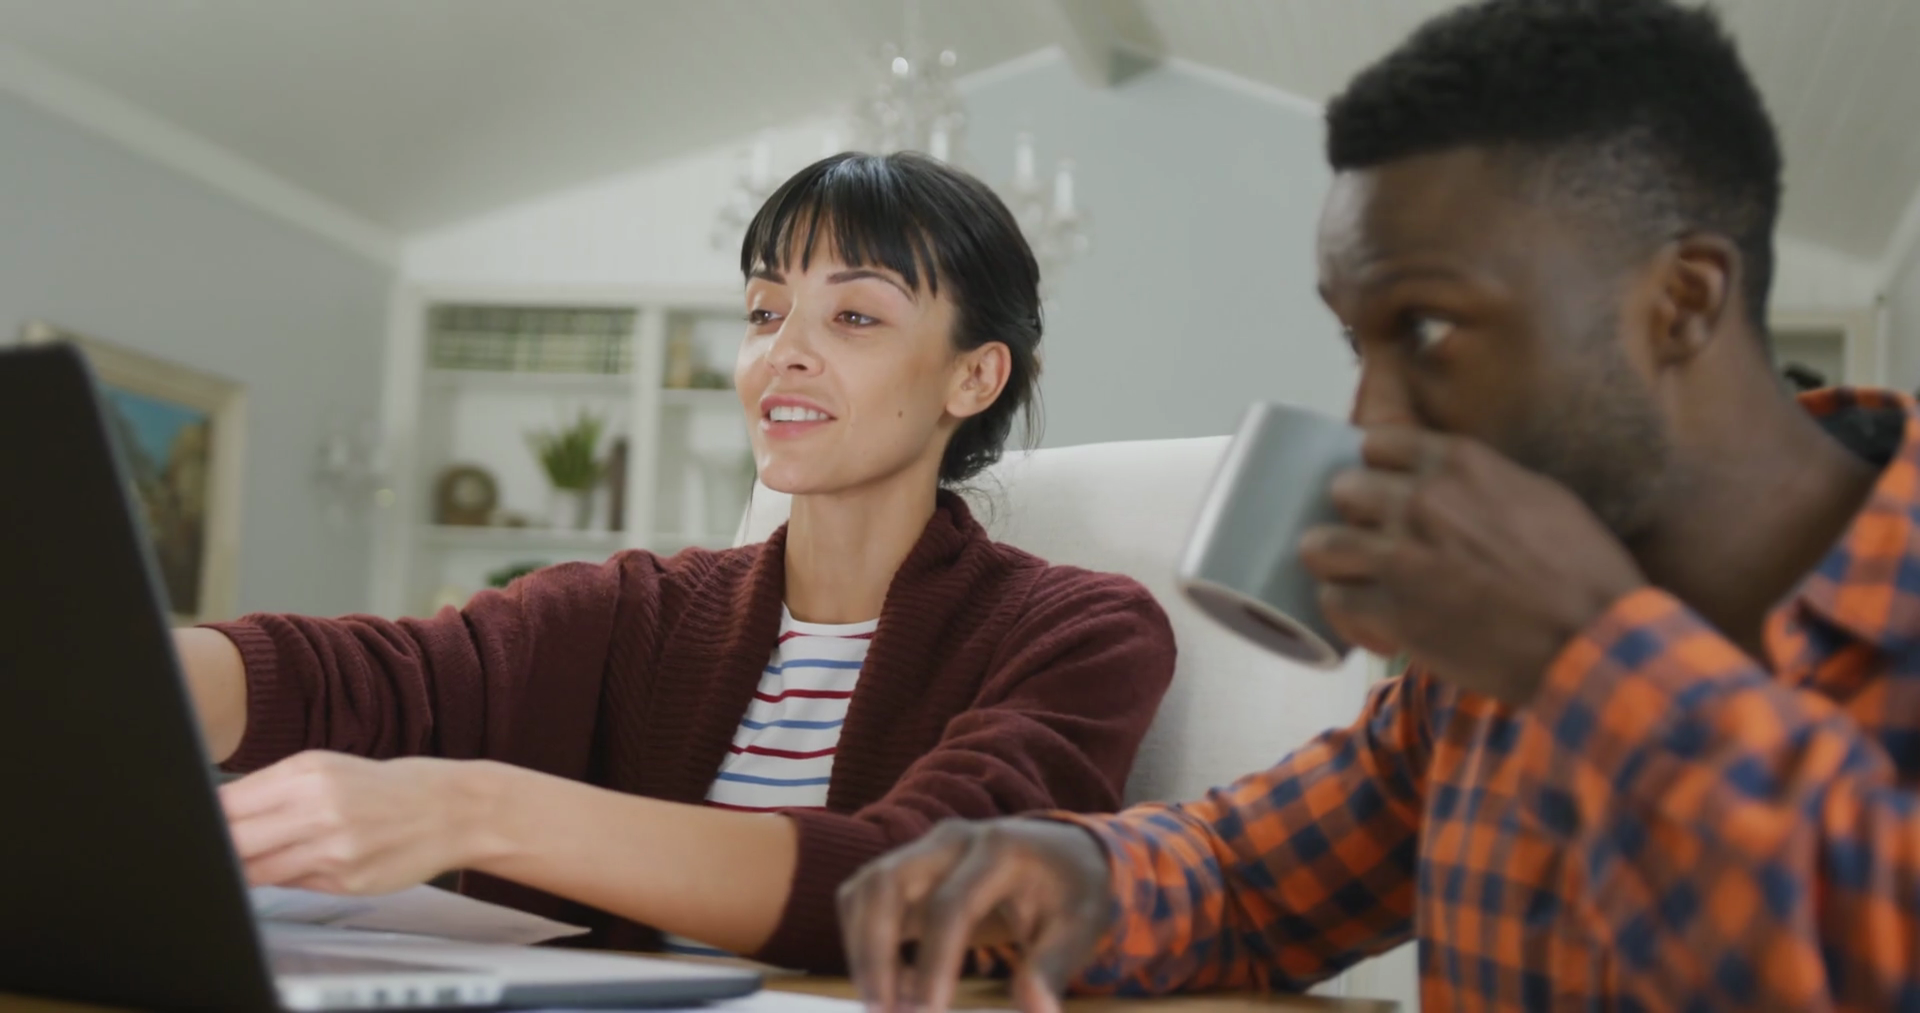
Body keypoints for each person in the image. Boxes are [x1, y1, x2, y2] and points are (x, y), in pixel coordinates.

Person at [836, 1, 1920, 1008]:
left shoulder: (1554, 631)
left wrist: (1584, 656)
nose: (1374, 419)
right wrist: (1073, 864)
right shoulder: (1484, 667)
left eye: (1431, 331)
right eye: (1361, 341)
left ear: (1681, 303)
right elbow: (1249, 879)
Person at [175, 151, 1176, 973]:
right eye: (762, 309)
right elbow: (370, 678)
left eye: (854, 316)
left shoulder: (1084, 632)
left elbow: (921, 881)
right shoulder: (631, 610)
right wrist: (136, 663)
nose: (781, 350)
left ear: (974, 373)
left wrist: (472, 808)